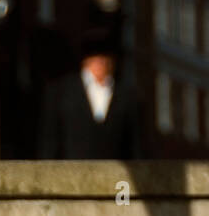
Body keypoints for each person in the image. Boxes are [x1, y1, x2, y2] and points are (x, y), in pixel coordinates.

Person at [38, 28, 142, 158]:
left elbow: (136, 145)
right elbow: (50, 142)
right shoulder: (60, 92)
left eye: (105, 57)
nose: (100, 62)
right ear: (85, 60)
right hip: (70, 174)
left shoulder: (126, 95)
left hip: (114, 175)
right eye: (95, 57)